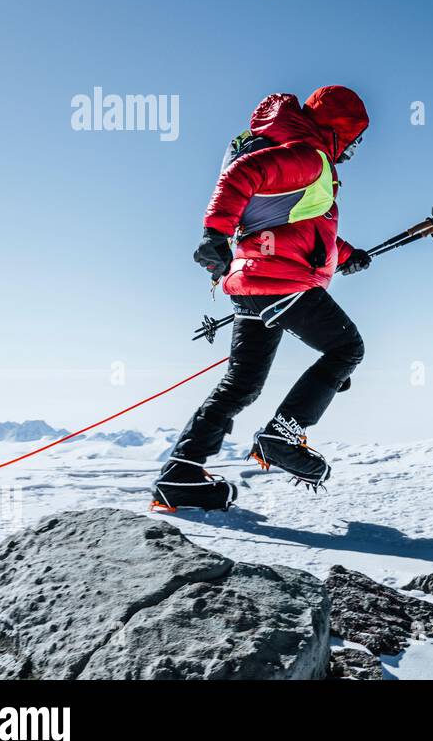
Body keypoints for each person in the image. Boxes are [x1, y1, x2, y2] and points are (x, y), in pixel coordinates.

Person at [151, 86, 372, 512]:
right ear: (340, 130)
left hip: (252, 282)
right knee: (346, 348)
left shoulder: (303, 157)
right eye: (354, 139)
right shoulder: (309, 157)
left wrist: (347, 255)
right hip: (281, 281)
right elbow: (243, 175)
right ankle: (281, 436)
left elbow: (303, 226)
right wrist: (212, 233)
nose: (354, 150)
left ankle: (179, 475)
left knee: (242, 384)